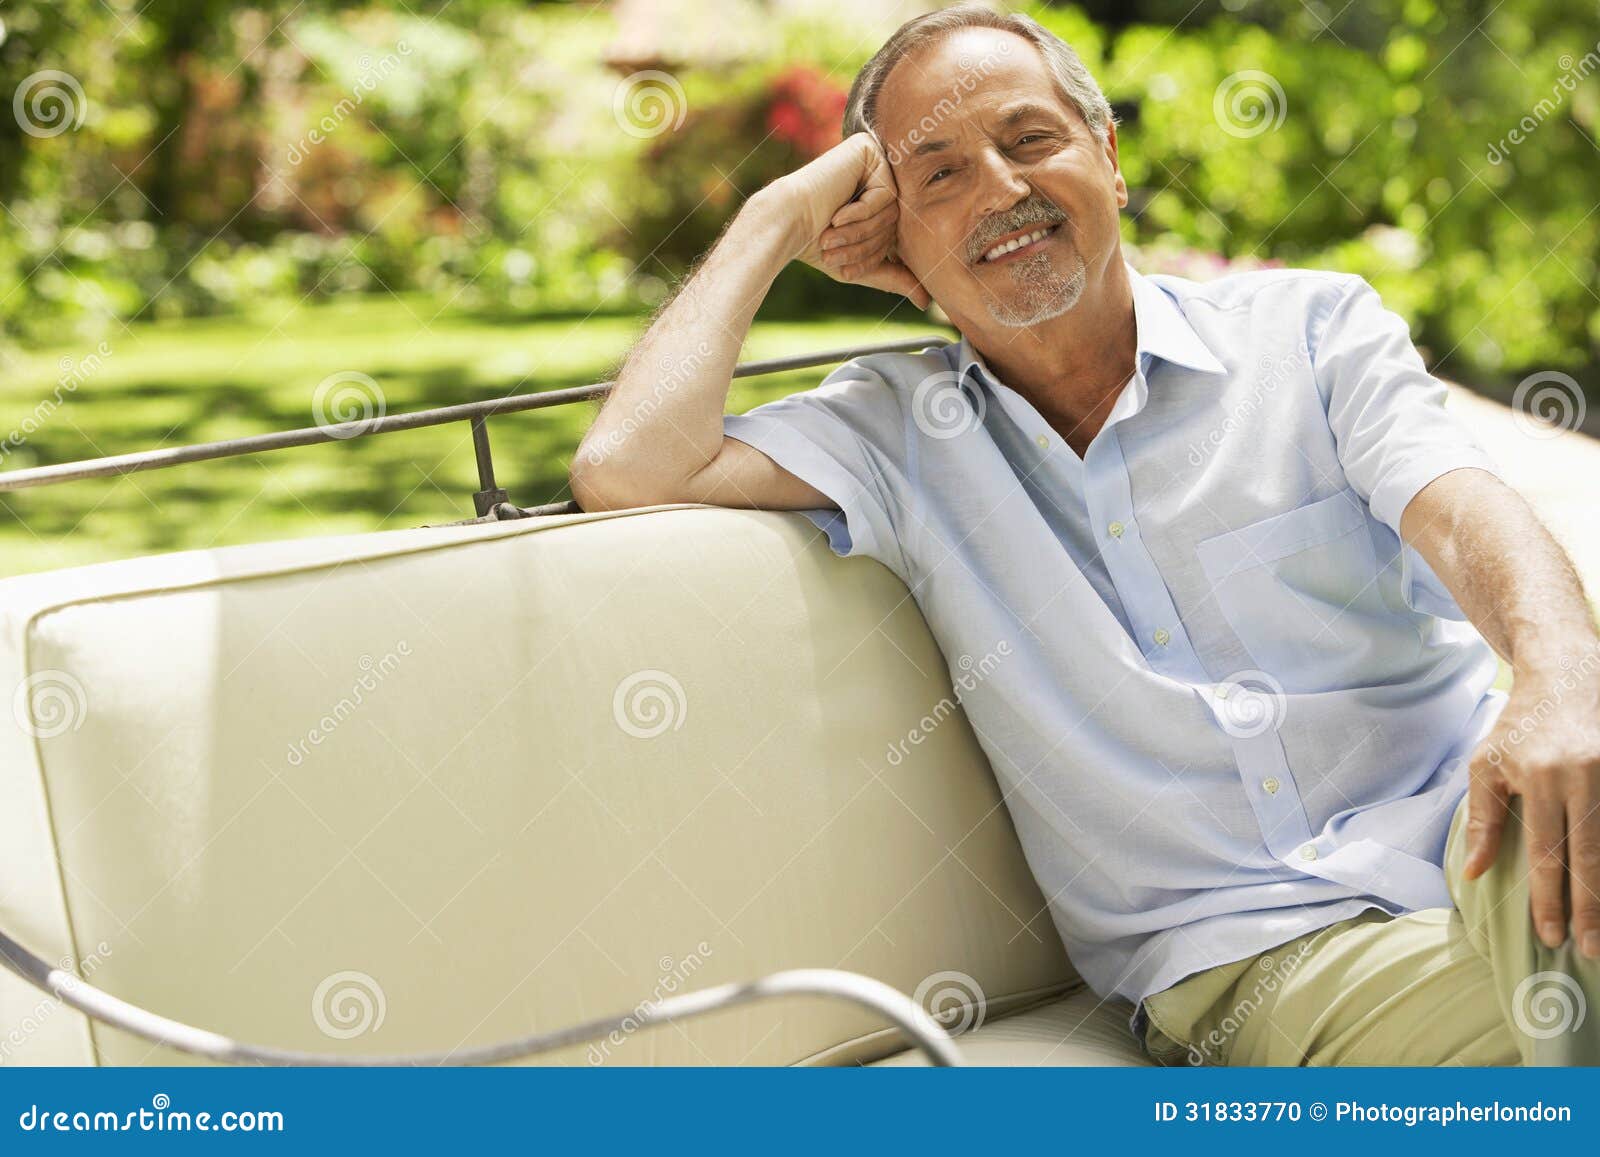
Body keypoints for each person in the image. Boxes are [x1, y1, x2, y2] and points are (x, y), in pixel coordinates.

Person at [570, 2, 1599, 1065]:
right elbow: (628, 464)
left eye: (1029, 141)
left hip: (1484, 831)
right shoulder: (893, 433)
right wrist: (777, 218)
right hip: (1265, 958)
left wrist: (1562, 669)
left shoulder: (1309, 332)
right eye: (939, 177)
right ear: (898, 245)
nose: (1002, 191)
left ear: (1107, 160)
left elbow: (1458, 499)